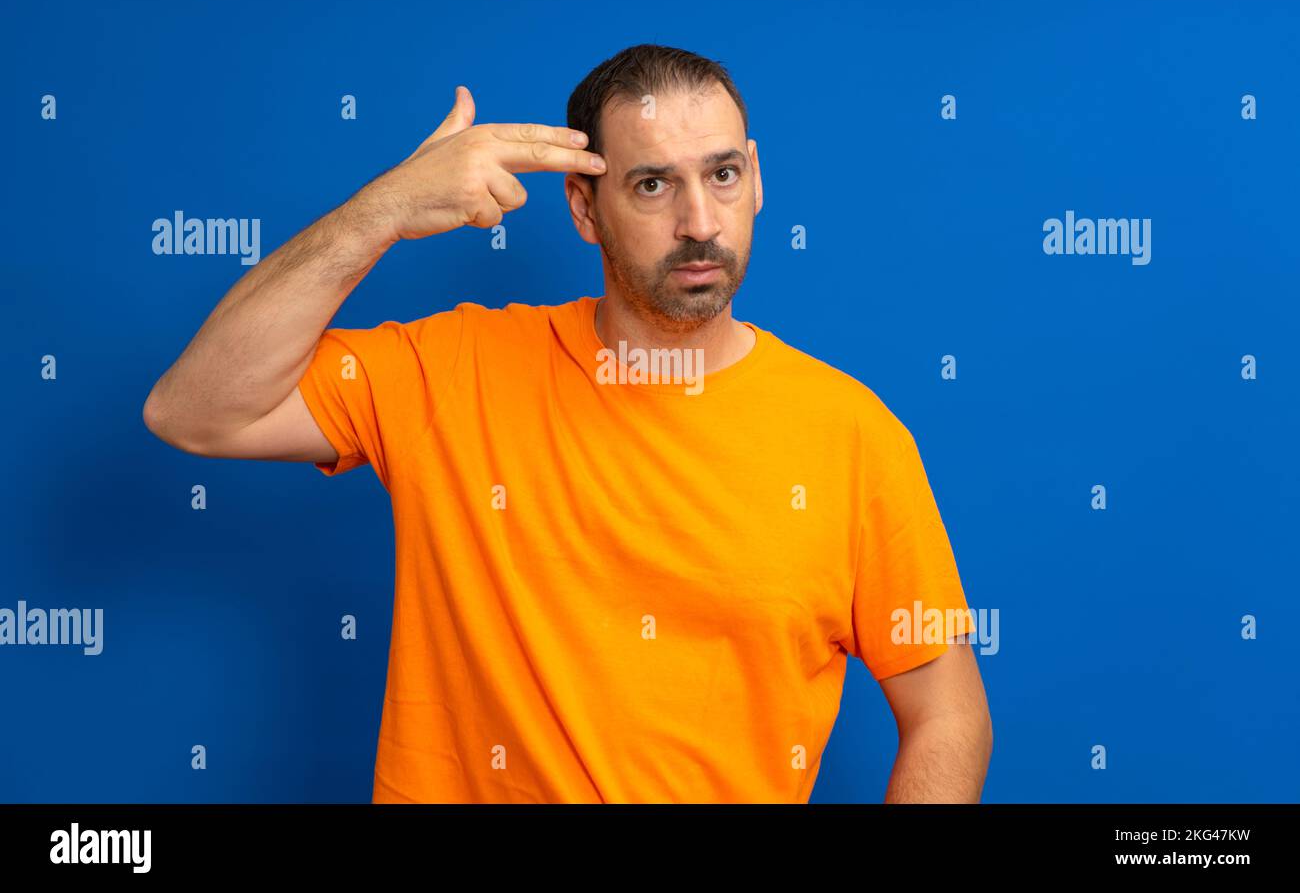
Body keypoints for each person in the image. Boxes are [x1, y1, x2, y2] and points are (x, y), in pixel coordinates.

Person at [143, 43, 992, 803]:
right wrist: (383, 214)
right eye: (652, 184)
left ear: (758, 179)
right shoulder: (453, 370)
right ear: (584, 210)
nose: (699, 222)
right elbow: (195, 411)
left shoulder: (850, 432)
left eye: (723, 174)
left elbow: (947, 712)